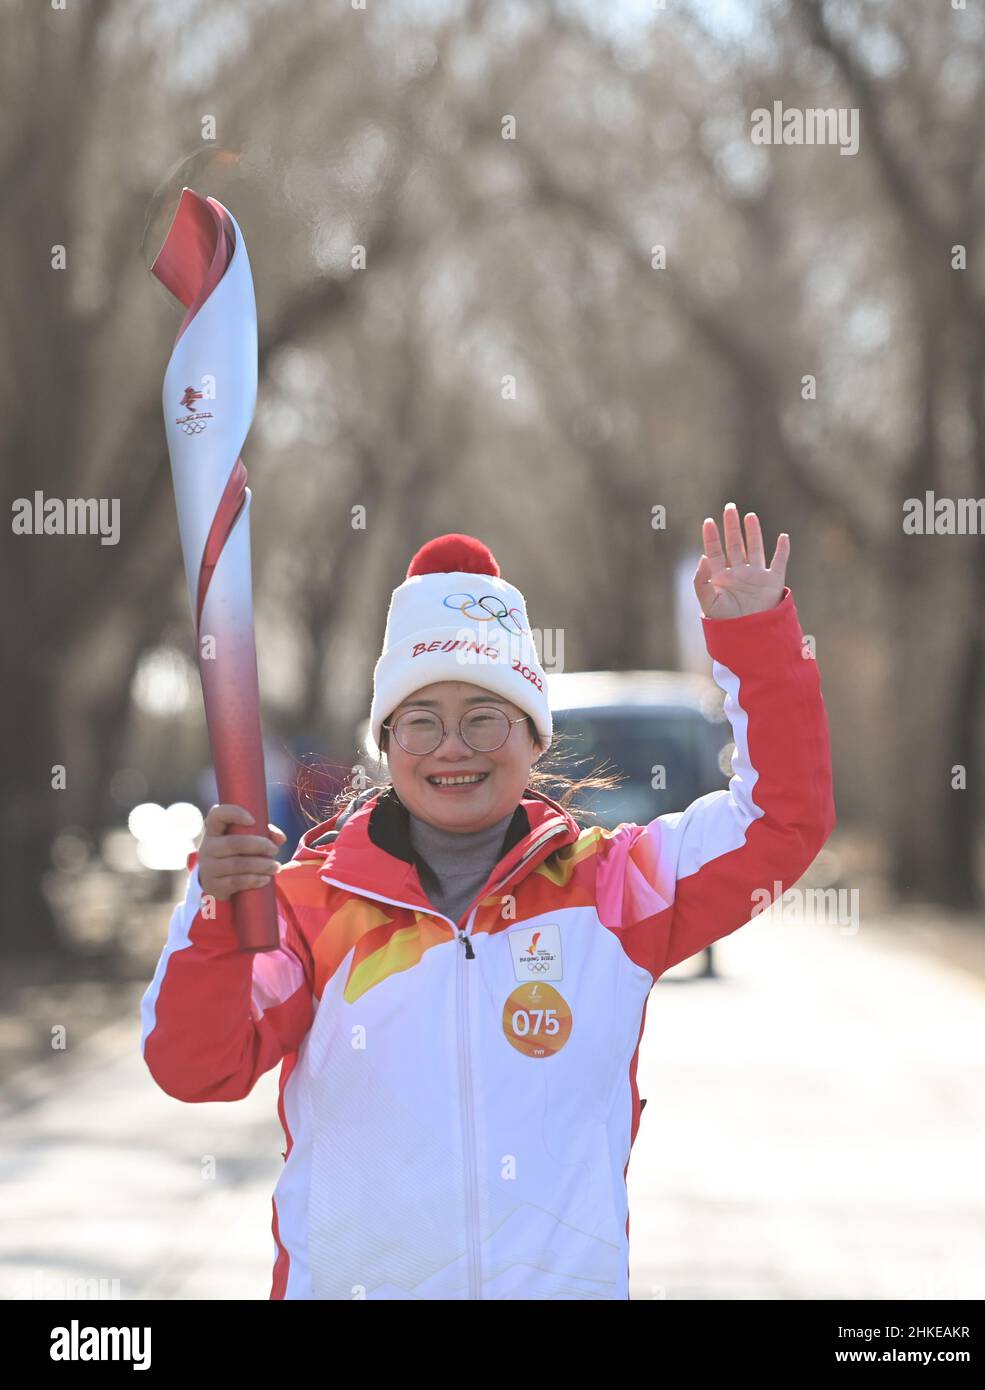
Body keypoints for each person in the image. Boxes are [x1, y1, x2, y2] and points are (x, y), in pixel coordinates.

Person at [139, 512, 836, 1301]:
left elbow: (781, 821)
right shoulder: (310, 910)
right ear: (388, 740)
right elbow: (198, 1066)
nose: (452, 747)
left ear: (535, 736)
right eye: (422, 722)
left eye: (484, 718)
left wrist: (757, 644)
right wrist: (214, 914)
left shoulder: (613, 890)